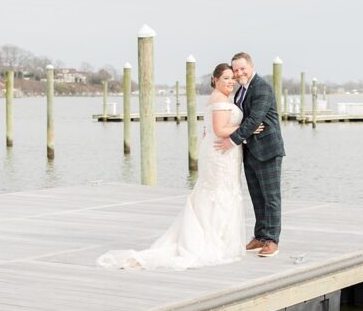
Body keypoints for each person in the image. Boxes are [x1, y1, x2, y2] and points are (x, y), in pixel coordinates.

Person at [96, 63, 260, 270]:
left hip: (222, 153)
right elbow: (220, 129)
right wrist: (248, 128)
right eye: (226, 78)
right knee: (218, 194)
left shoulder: (223, 98)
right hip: (220, 152)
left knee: (221, 193)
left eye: (232, 78)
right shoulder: (219, 99)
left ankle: (219, 237)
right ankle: (213, 241)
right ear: (215, 79)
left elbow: (207, 130)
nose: (230, 81)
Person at [215, 52, 285, 258]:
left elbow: (254, 119)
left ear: (251, 67)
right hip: (251, 150)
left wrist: (232, 140)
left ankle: (272, 240)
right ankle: (260, 236)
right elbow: (245, 120)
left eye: (242, 68)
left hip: (268, 150)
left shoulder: (262, 88)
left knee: (271, 197)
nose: (238, 73)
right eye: (235, 70)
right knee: (256, 196)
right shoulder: (241, 91)